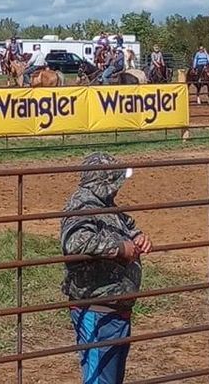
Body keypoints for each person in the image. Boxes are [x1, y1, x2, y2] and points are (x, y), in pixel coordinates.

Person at [61, 152, 150, 384]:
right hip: (96, 308)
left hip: (115, 307)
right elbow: (75, 242)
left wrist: (137, 236)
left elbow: (126, 223)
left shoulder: (106, 204)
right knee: (100, 378)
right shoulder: (82, 206)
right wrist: (120, 248)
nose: (119, 187)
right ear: (105, 182)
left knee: (111, 377)